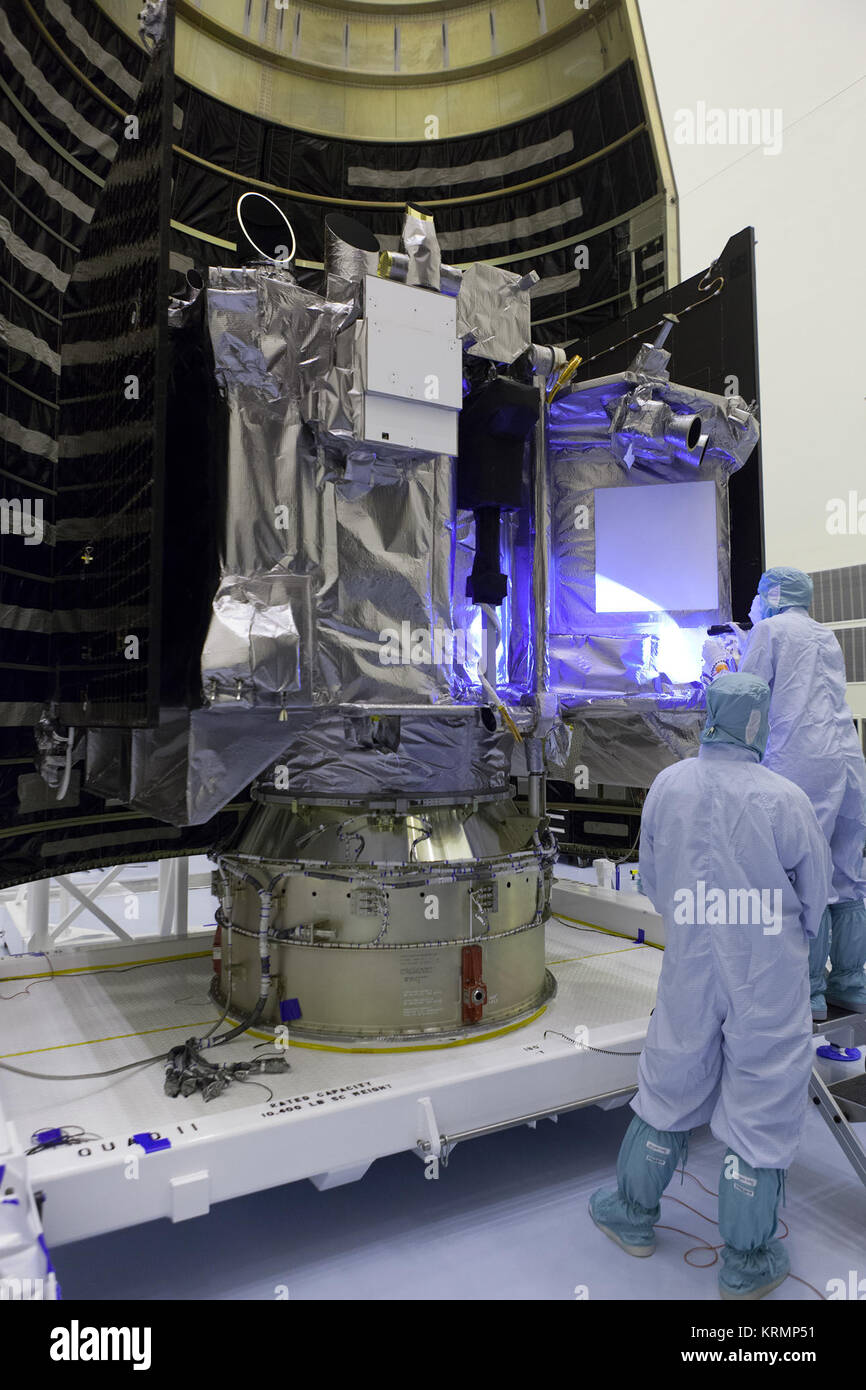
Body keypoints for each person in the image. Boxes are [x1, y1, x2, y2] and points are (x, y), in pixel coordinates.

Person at [589, 673, 832, 1300]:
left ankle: (631, 1215)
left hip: (693, 958)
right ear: (761, 721)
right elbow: (815, 900)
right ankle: (746, 1261)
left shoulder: (669, 784)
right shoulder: (785, 798)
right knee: (760, 1102)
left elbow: (653, 877)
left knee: (670, 1079)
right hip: (765, 971)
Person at [736, 567, 866, 1019]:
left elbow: (744, 694)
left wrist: (719, 671)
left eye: (758, 593)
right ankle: (850, 981)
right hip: (846, 759)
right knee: (846, 873)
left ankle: (807, 990)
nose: (754, 602)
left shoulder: (769, 631)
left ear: (771, 595)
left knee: (800, 872)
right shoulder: (824, 635)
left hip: (802, 761)